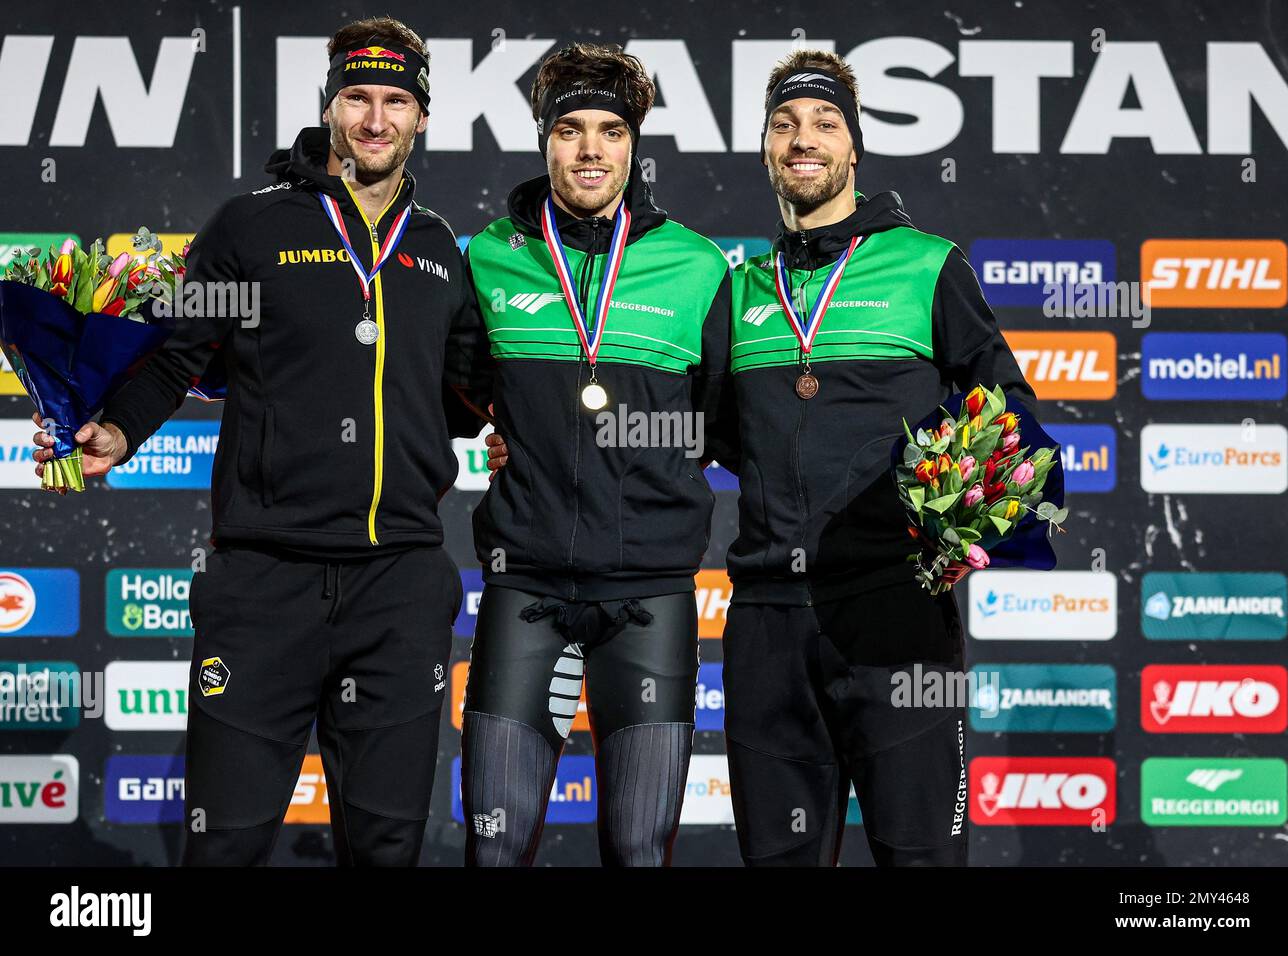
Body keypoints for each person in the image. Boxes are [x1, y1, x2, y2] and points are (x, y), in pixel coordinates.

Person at [32, 16, 488, 866]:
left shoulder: (438, 252)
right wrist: (115, 430)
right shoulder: (253, 226)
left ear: (422, 117)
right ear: (330, 106)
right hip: (262, 584)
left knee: (389, 845)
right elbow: (175, 358)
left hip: (398, 587)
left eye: (396, 101)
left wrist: (506, 433)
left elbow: (466, 397)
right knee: (227, 844)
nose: (376, 119)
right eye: (358, 97)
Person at [718, 50, 1039, 866]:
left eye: (825, 123)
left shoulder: (927, 263)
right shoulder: (740, 287)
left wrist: (980, 530)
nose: (804, 139)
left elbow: (1009, 413)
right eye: (784, 124)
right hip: (766, 624)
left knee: (921, 857)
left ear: (854, 148)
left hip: (896, 615)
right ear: (765, 148)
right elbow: (703, 430)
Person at [460, 42, 731, 866]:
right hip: (525, 587)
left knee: (641, 851)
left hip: (648, 593)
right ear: (543, 137)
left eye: (610, 131)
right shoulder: (489, 256)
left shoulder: (697, 265)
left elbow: (726, 424)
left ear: (634, 143)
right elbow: (443, 394)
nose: (589, 150)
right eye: (570, 129)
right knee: (494, 850)